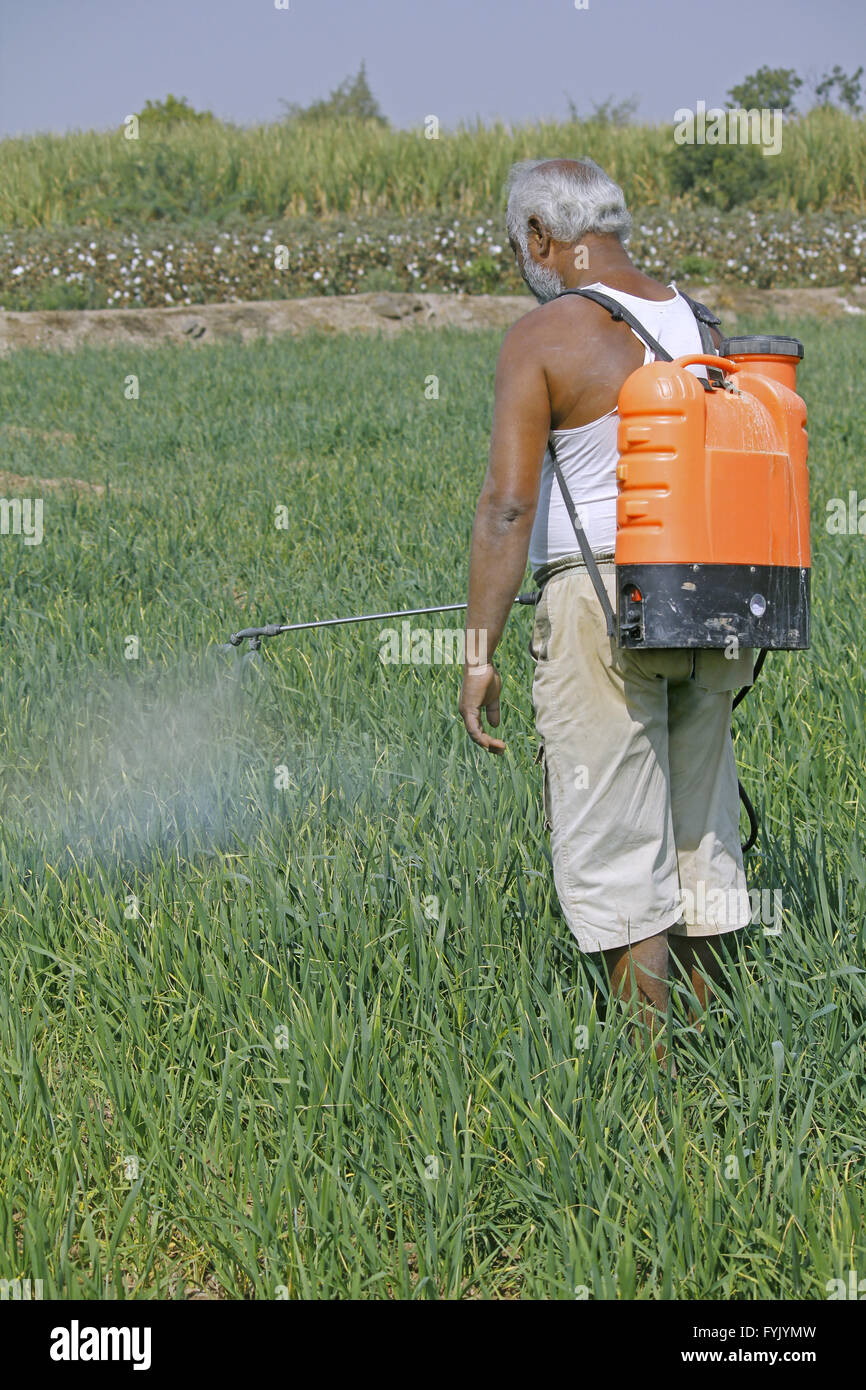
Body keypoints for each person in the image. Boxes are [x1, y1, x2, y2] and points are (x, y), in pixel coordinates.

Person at [458, 157, 753, 1049]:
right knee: (701, 828)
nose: (524, 260)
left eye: (522, 245)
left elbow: (508, 506)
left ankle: (650, 1093)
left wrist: (478, 652)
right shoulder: (698, 319)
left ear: (543, 238)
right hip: (715, 596)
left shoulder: (544, 335)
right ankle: (718, 1063)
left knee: (620, 847)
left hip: (602, 605)